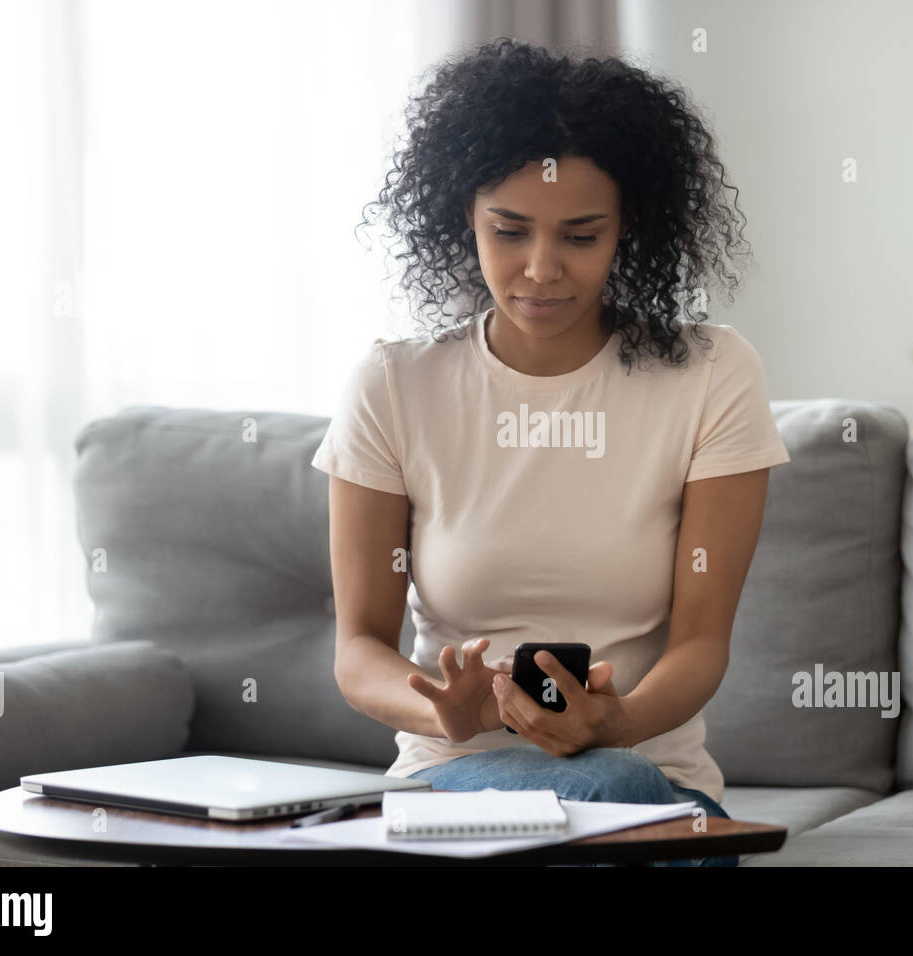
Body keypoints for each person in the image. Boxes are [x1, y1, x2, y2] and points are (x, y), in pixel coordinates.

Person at [314, 37, 790, 866]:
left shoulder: (713, 375)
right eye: (509, 231)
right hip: (455, 786)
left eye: (580, 235)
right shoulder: (394, 385)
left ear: (627, 229)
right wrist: (445, 712)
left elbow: (701, 643)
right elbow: (359, 650)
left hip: (653, 783)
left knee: (613, 788)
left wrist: (618, 723)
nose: (541, 269)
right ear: (465, 214)